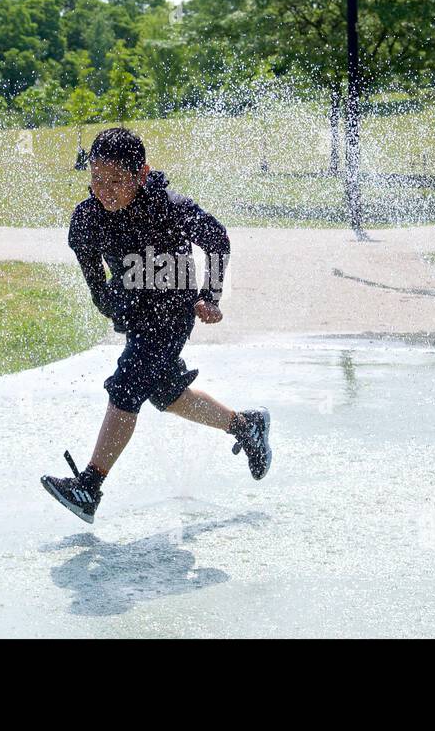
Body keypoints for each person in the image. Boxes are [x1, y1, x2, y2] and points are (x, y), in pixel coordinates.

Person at [41, 127, 273, 523]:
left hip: (172, 310)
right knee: (165, 393)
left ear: (142, 174)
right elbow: (98, 288)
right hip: (137, 312)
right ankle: (246, 426)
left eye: (116, 181)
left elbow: (217, 240)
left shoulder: (170, 207)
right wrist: (116, 307)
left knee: (129, 383)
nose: (105, 189)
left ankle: (89, 486)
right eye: (96, 179)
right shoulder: (86, 220)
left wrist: (209, 295)